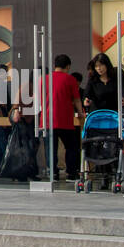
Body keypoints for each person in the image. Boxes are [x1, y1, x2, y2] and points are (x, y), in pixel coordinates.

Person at [39, 54, 84, 182]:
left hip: (47, 119)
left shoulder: (44, 79)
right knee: (71, 147)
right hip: (64, 120)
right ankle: (71, 173)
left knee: (50, 148)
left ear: (55, 65)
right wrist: (81, 113)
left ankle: (53, 173)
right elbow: (76, 99)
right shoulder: (70, 80)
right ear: (68, 66)